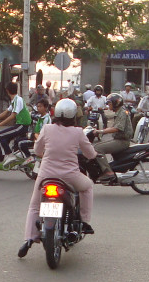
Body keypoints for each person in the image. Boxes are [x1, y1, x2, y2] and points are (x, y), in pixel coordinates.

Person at [17, 99, 97, 258]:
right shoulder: (77, 132)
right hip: (70, 177)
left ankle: (29, 239)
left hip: (46, 175)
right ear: (74, 115)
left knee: (34, 206)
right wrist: (93, 155)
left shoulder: (47, 129)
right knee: (87, 187)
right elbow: (90, 154)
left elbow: (37, 150)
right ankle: (85, 221)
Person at [0, 82, 31, 162]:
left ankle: (9, 156)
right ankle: (3, 159)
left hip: (22, 126)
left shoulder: (18, 100)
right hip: (20, 125)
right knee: (3, 138)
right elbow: (6, 112)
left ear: (7, 91)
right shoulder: (14, 100)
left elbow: (13, 115)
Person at [93, 93, 131, 181]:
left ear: (115, 103)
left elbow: (117, 128)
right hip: (119, 139)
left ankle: (108, 172)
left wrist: (101, 131)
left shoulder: (122, 113)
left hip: (122, 141)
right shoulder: (119, 112)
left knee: (97, 148)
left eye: (110, 103)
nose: (108, 105)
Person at [18, 98, 52, 162]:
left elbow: (43, 133)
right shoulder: (39, 117)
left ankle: (29, 159)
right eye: (38, 106)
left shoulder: (46, 119)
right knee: (18, 140)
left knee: (21, 143)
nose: (38, 108)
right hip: (36, 137)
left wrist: (33, 136)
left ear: (45, 108)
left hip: (40, 140)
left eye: (40, 106)